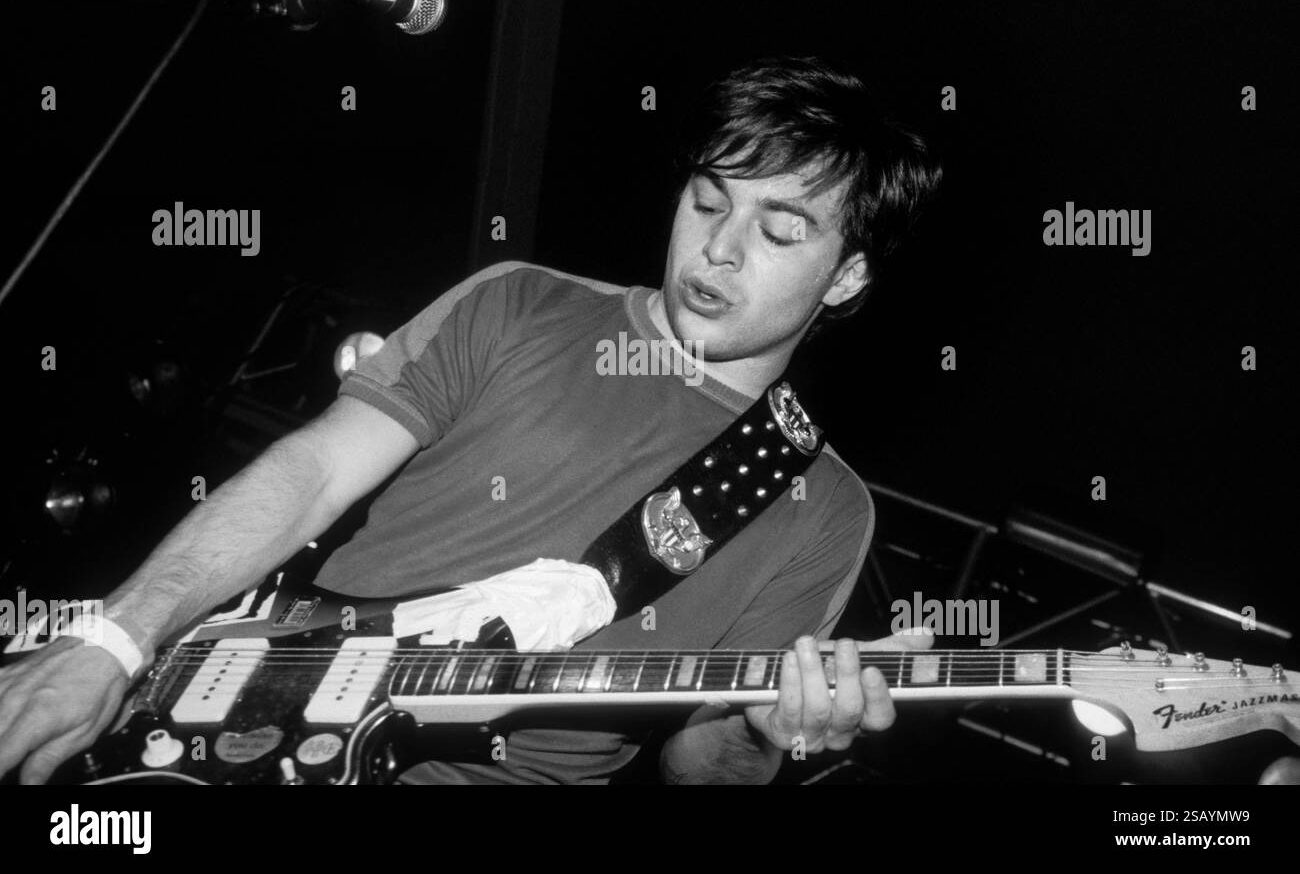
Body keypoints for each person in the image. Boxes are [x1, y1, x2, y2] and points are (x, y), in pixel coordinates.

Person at [0, 55, 943, 784]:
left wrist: (764, 727)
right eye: (707, 201)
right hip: (250, 719)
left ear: (849, 275)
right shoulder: (521, 303)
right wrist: (113, 639)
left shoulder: (822, 508)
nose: (721, 249)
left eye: (781, 231)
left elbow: (700, 767)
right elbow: (313, 475)